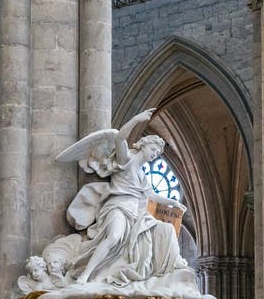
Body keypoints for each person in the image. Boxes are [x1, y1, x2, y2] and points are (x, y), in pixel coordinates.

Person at [56, 108, 191, 286]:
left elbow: (151, 195)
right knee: (114, 237)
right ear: (143, 145)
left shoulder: (143, 176)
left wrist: (174, 203)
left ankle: (173, 266)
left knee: (165, 230)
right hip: (117, 207)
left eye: (157, 153)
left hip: (136, 213)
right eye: (152, 149)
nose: (154, 154)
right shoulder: (125, 160)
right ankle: (85, 275)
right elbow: (119, 138)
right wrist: (136, 119)